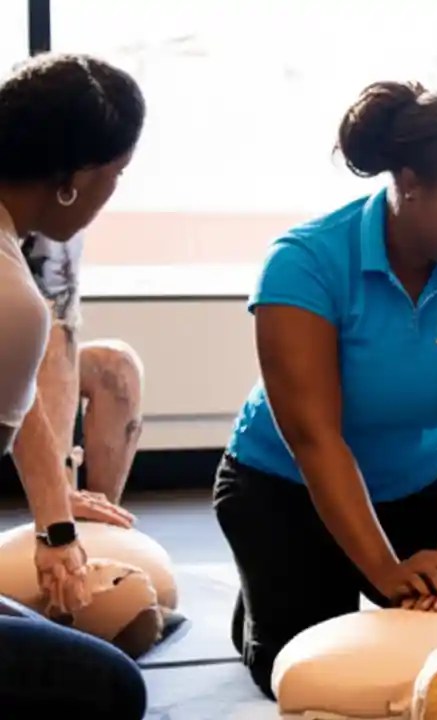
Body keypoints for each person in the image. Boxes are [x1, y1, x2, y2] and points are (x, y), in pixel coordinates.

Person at [213, 80, 437, 698]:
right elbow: (316, 439)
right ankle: (270, 594)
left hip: (420, 485)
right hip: (288, 490)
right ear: (409, 181)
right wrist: (387, 572)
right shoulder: (303, 262)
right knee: (306, 674)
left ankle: (344, 573)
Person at [0, 51, 148, 717]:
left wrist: (57, 519)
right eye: (118, 174)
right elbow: (30, 353)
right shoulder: (12, 301)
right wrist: (54, 526)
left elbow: (31, 377)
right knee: (111, 686)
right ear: (76, 180)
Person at [8, 229, 145, 514]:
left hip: (14, 360)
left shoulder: (51, 214)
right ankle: (59, 514)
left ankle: (98, 522)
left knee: (117, 370)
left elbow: (57, 324)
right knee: (43, 348)